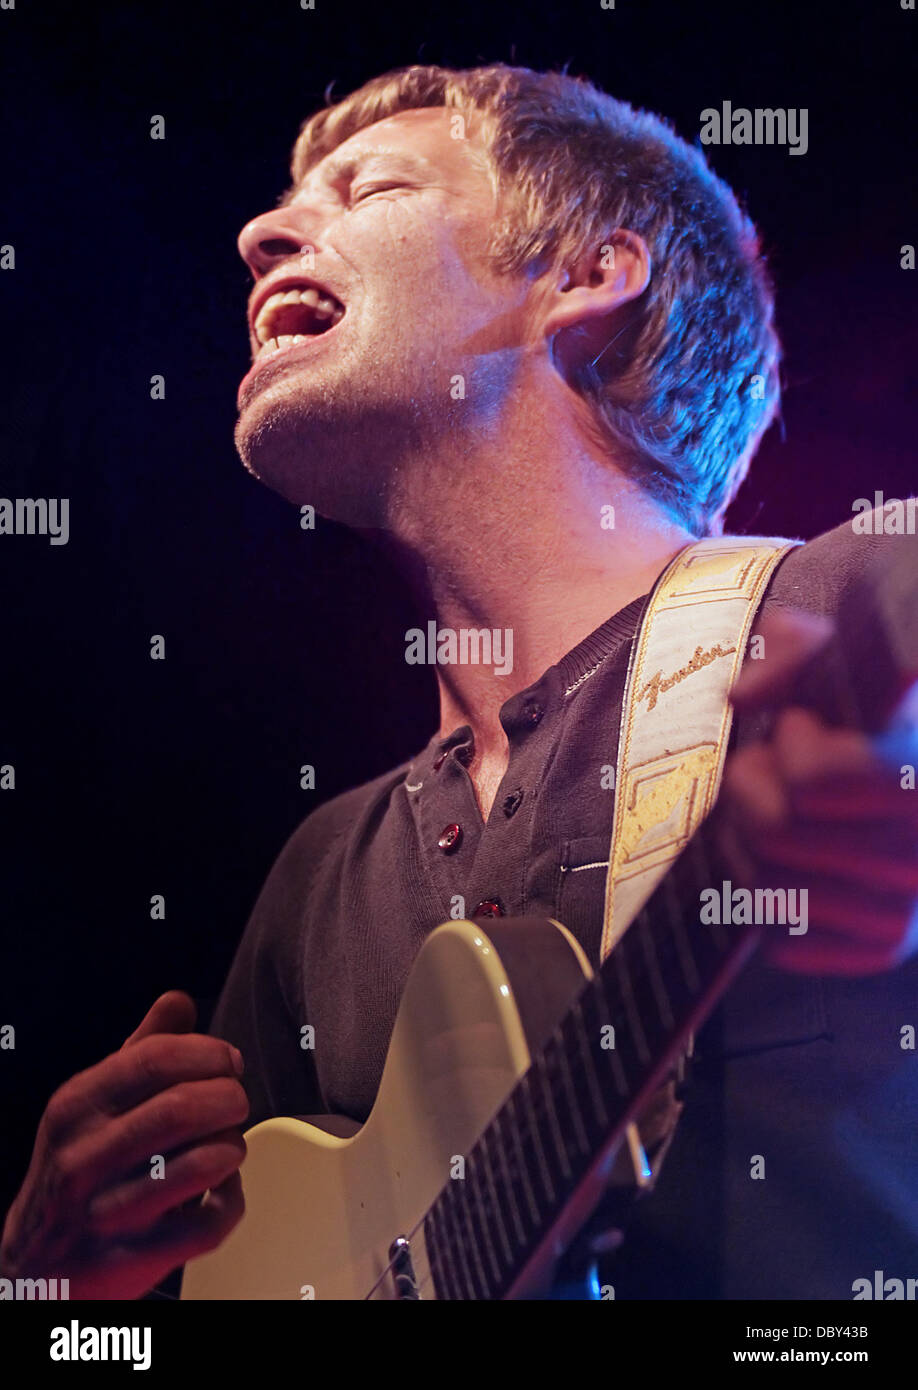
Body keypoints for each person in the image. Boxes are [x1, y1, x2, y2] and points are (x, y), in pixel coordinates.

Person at [2, 64, 916, 1301]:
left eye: (366, 184)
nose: (259, 231)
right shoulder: (321, 877)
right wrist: (50, 1297)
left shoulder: (864, 598)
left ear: (586, 277)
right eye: (281, 203)